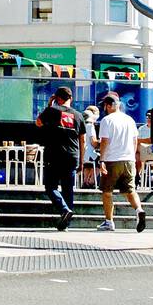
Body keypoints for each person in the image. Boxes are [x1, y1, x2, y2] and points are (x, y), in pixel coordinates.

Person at [95, 91, 147, 232]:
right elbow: (135, 141)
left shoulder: (107, 120)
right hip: (128, 159)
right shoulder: (129, 120)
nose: (104, 109)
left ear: (108, 105)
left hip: (112, 159)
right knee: (130, 190)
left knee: (107, 191)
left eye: (105, 106)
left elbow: (105, 141)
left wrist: (102, 160)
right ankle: (139, 210)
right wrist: (132, 155)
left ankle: (109, 221)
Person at [34, 86, 80, 231]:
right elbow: (82, 140)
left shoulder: (52, 110)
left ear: (57, 98)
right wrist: (82, 160)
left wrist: (49, 105)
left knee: (50, 186)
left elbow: (38, 123)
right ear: (71, 98)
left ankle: (64, 209)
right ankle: (66, 222)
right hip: (73, 155)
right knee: (68, 189)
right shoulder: (78, 115)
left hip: (54, 154)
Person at [82, 104, 100, 189]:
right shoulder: (90, 126)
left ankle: (85, 181)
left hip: (82, 153)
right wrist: (100, 142)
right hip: (89, 152)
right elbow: (93, 142)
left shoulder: (81, 125)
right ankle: (92, 181)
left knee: (87, 165)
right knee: (101, 160)